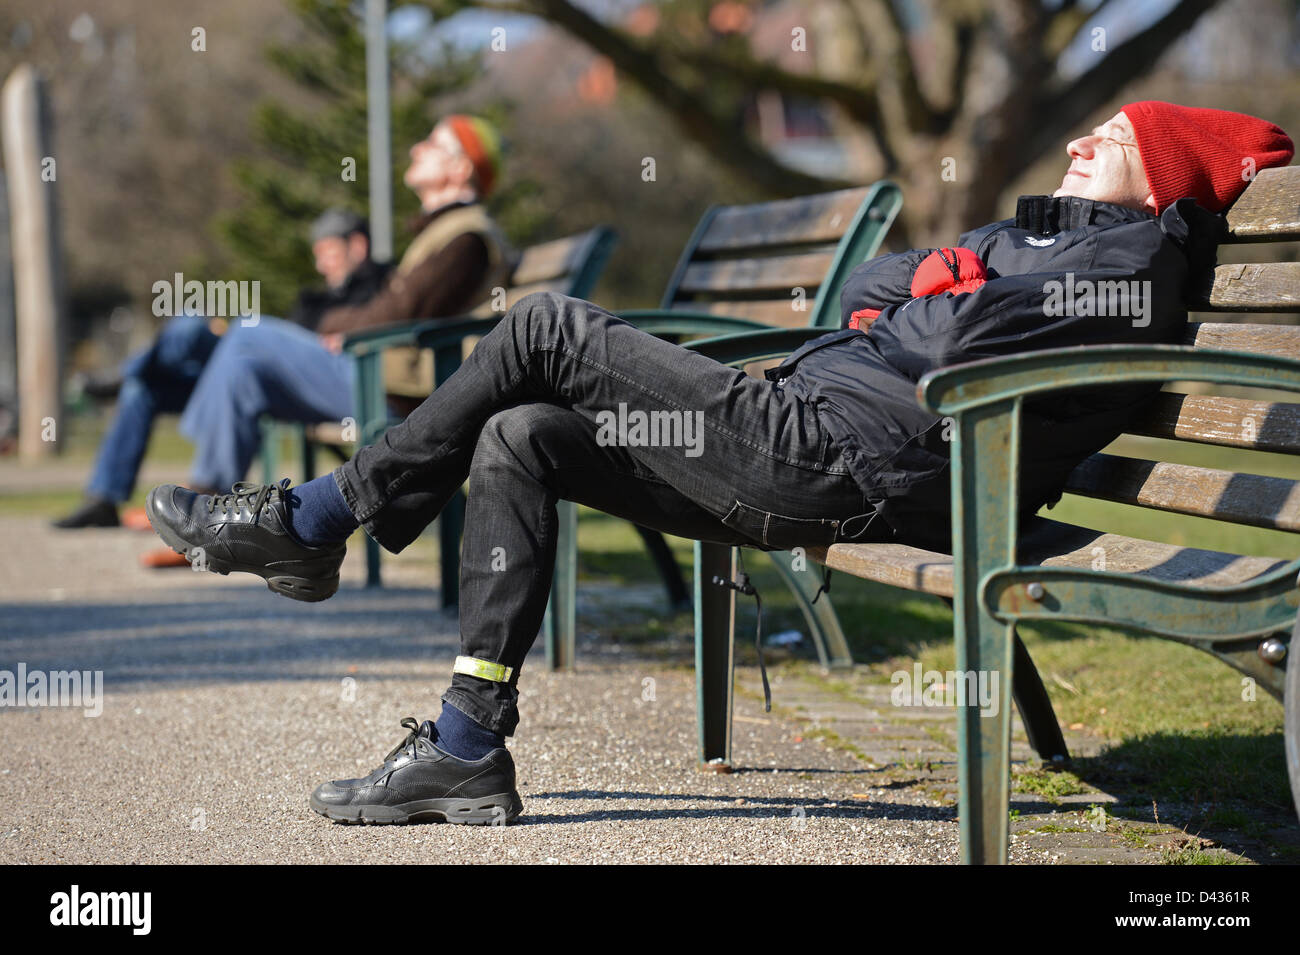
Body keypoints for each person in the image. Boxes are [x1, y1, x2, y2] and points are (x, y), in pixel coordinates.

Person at [145, 102, 1292, 826]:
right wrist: (945, 288)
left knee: (545, 328)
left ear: (1162, 178)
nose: (1084, 139)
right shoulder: (1021, 243)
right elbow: (873, 291)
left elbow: (943, 339)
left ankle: (313, 519)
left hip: (850, 460)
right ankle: (463, 744)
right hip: (795, 420)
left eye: (1116, 138)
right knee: (521, 434)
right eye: (1087, 128)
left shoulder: (1131, 266)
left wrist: (942, 297)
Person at [53, 208, 388, 531]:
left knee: (237, 336)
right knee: (184, 334)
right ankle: (104, 497)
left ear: (357, 246)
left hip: (312, 383)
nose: (319, 264)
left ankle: (202, 501)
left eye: (328, 252)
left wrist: (340, 332)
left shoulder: (381, 287)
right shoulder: (315, 299)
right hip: (265, 375)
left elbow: (388, 318)